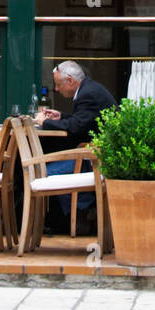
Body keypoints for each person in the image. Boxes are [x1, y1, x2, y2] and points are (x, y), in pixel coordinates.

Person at [33, 60, 116, 228]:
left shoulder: (87, 95)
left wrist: (44, 123)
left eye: (58, 85)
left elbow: (76, 128)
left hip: (95, 159)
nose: (56, 89)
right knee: (51, 167)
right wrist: (61, 117)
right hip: (93, 154)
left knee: (48, 172)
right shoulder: (90, 89)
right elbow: (84, 121)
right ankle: (83, 213)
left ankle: (84, 212)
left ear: (70, 80)